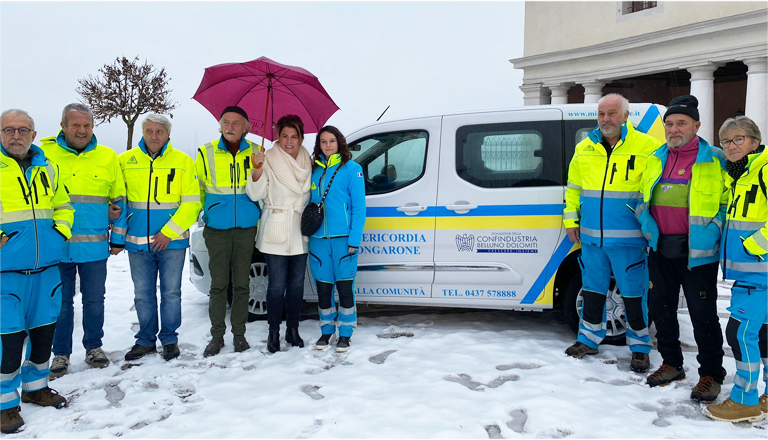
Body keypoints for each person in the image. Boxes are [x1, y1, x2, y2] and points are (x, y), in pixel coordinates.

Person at [636, 95, 728, 401]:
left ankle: (711, 374)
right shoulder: (655, 158)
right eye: (670, 124)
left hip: (698, 253)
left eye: (681, 123)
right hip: (660, 248)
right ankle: (672, 363)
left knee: (703, 314)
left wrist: (713, 231)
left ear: (696, 126)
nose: (674, 129)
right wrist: (644, 220)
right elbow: (642, 196)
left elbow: (729, 202)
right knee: (660, 308)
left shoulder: (716, 159)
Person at [563, 94, 662, 372]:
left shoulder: (648, 147)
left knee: (633, 295)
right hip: (591, 239)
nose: (605, 119)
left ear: (626, 115)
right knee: (592, 291)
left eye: (612, 113)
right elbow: (573, 189)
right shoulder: (584, 147)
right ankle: (588, 340)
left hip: (630, 239)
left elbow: (656, 192)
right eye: (601, 114)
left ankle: (640, 347)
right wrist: (571, 220)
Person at [40, 103, 127, 379]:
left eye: (87, 125)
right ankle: (60, 353)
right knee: (61, 303)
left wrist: (118, 239)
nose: (82, 130)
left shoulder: (107, 157)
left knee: (94, 301)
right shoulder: (44, 154)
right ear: (63, 126)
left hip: (94, 245)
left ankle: (94, 347)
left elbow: (120, 200)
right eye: (75, 125)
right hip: (57, 246)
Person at [0, 109, 74, 433]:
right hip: (6, 274)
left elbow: (64, 206)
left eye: (22, 130)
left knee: (44, 336)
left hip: (46, 271)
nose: (15, 135)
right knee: (8, 343)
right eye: (8, 130)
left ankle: (35, 388)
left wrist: (60, 233)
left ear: (33, 134)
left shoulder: (49, 168)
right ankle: (4, 404)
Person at [118, 114, 201, 362]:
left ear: (168, 134)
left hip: (172, 242)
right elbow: (119, 200)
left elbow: (192, 203)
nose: (154, 136)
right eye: (149, 131)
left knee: (171, 293)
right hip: (137, 241)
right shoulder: (125, 161)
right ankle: (145, 340)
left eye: (159, 131)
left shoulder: (183, 162)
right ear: (143, 133)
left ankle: (169, 339)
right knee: (142, 294)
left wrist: (168, 232)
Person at [703, 116, 767, 423]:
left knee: (740, 333)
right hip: (754, 272)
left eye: (738, 139)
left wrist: (753, 246)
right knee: (763, 334)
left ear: (755, 141)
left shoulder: (763, 170)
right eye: (726, 141)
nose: (731, 146)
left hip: (759, 272)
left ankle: (744, 401)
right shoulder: (739, 176)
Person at [195, 106, 263, 357]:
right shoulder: (205, 152)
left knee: (242, 285)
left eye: (236, 123)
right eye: (226, 122)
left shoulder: (256, 151)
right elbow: (198, 191)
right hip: (217, 229)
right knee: (218, 286)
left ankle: (239, 335)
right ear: (220, 125)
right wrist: (206, 215)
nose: (230, 127)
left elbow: (262, 190)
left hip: (246, 228)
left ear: (246, 128)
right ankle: (216, 336)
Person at [246, 115, 312, 353]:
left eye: (294, 136)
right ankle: (273, 331)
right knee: (275, 286)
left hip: (299, 230)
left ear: (301, 138)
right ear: (278, 137)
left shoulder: (308, 160)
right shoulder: (268, 159)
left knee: (296, 285)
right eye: (284, 136)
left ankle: (293, 329)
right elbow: (254, 194)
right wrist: (257, 169)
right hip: (276, 225)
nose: (289, 141)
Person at [307, 126, 366, 352]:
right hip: (318, 240)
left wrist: (354, 239)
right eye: (323, 142)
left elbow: (359, 207)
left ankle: (346, 333)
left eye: (331, 141)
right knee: (323, 289)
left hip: (343, 240)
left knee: (344, 288)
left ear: (339, 142)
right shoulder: (313, 170)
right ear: (319, 145)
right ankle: (326, 331)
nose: (328, 145)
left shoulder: (352, 169)